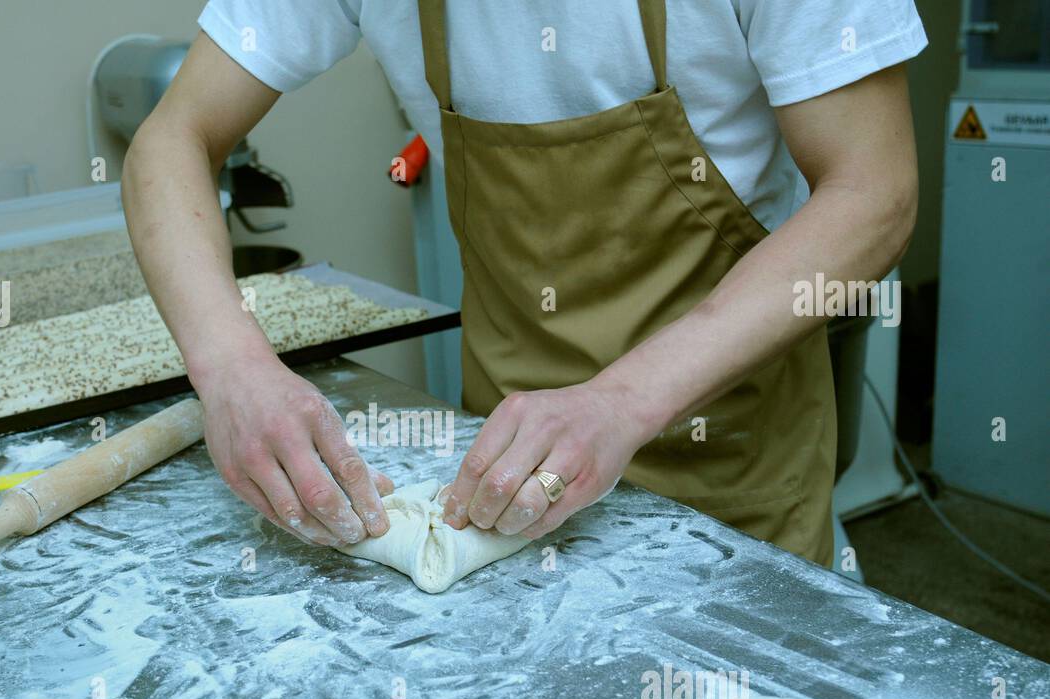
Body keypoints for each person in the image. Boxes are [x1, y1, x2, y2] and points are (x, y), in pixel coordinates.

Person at [123, 0, 924, 567]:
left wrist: (619, 401)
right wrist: (231, 370)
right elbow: (173, 138)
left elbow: (873, 193)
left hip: (732, 473)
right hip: (501, 495)